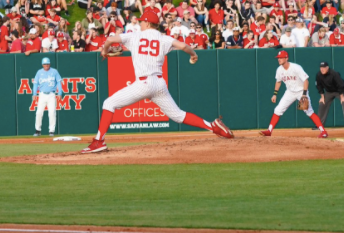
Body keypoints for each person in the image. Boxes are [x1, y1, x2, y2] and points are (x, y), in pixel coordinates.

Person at [81, 11, 234, 154]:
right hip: (159, 84)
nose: (140, 23)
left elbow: (109, 39)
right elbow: (184, 46)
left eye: (142, 22)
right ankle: (213, 127)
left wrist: (104, 50)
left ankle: (99, 141)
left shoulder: (135, 36)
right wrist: (193, 55)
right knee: (178, 115)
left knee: (109, 103)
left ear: (147, 24)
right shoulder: (163, 38)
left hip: (143, 84)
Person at [260, 50, 328, 138]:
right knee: (278, 110)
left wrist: (304, 94)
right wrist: (275, 94)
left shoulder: (296, 67)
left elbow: (306, 80)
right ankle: (269, 131)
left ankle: (323, 132)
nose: (279, 59)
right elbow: (278, 82)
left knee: (309, 112)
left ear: (286, 58)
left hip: (301, 92)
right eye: (278, 58)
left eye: (281, 58)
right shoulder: (279, 70)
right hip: (289, 92)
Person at [315, 62, 344, 130]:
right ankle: (319, 125)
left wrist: (342, 97)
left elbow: (341, 85)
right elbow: (319, 86)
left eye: (324, 67)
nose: (322, 69)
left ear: (327, 68)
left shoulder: (334, 74)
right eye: (321, 68)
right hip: (329, 92)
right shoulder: (319, 75)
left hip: (340, 91)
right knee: (322, 104)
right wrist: (322, 97)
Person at [31, 57, 63, 137]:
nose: (46, 65)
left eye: (47, 64)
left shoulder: (54, 71)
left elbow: (59, 82)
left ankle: (51, 131)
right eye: (45, 64)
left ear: (50, 64)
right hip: (42, 94)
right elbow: (35, 84)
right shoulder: (39, 72)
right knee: (39, 112)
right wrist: (34, 94)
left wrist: (60, 93)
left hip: (51, 94)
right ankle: (38, 130)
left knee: (52, 113)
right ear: (42, 64)